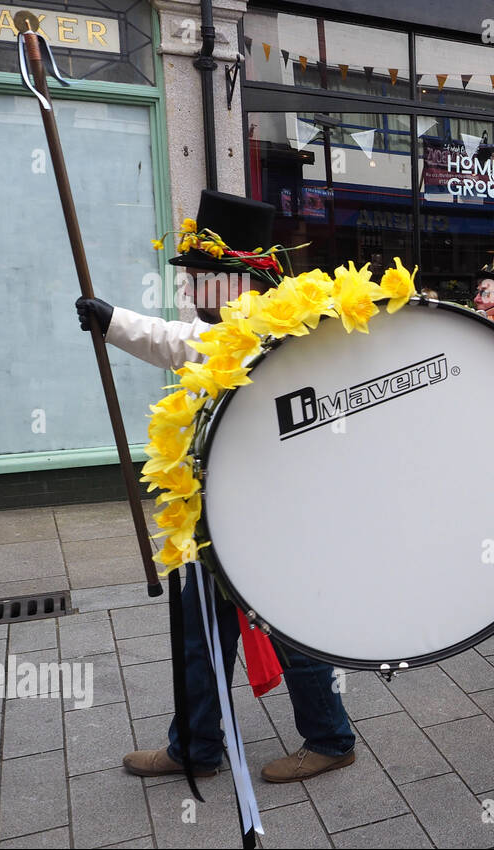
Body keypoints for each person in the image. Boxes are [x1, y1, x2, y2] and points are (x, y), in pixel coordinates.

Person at [75, 190, 356, 784]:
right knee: (200, 633)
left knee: (289, 627)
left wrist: (115, 322)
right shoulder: (225, 330)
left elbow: (199, 347)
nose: (187, 291)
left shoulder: (276, 337)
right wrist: (113, 320)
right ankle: (197, 745)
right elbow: (180, 342)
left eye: (198, 278)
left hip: (271, 521)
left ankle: (330, 737)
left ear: (238, 282)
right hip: (212, 517)